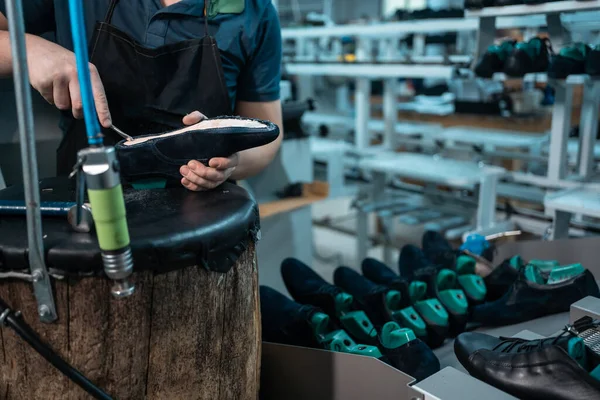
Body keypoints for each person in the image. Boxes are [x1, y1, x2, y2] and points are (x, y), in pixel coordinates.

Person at [0, 0, 283, 191]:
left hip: (201, 221)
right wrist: (27, 50)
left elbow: (267, 136)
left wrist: (230, 164)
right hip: (91, 202)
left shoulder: (254, 13)